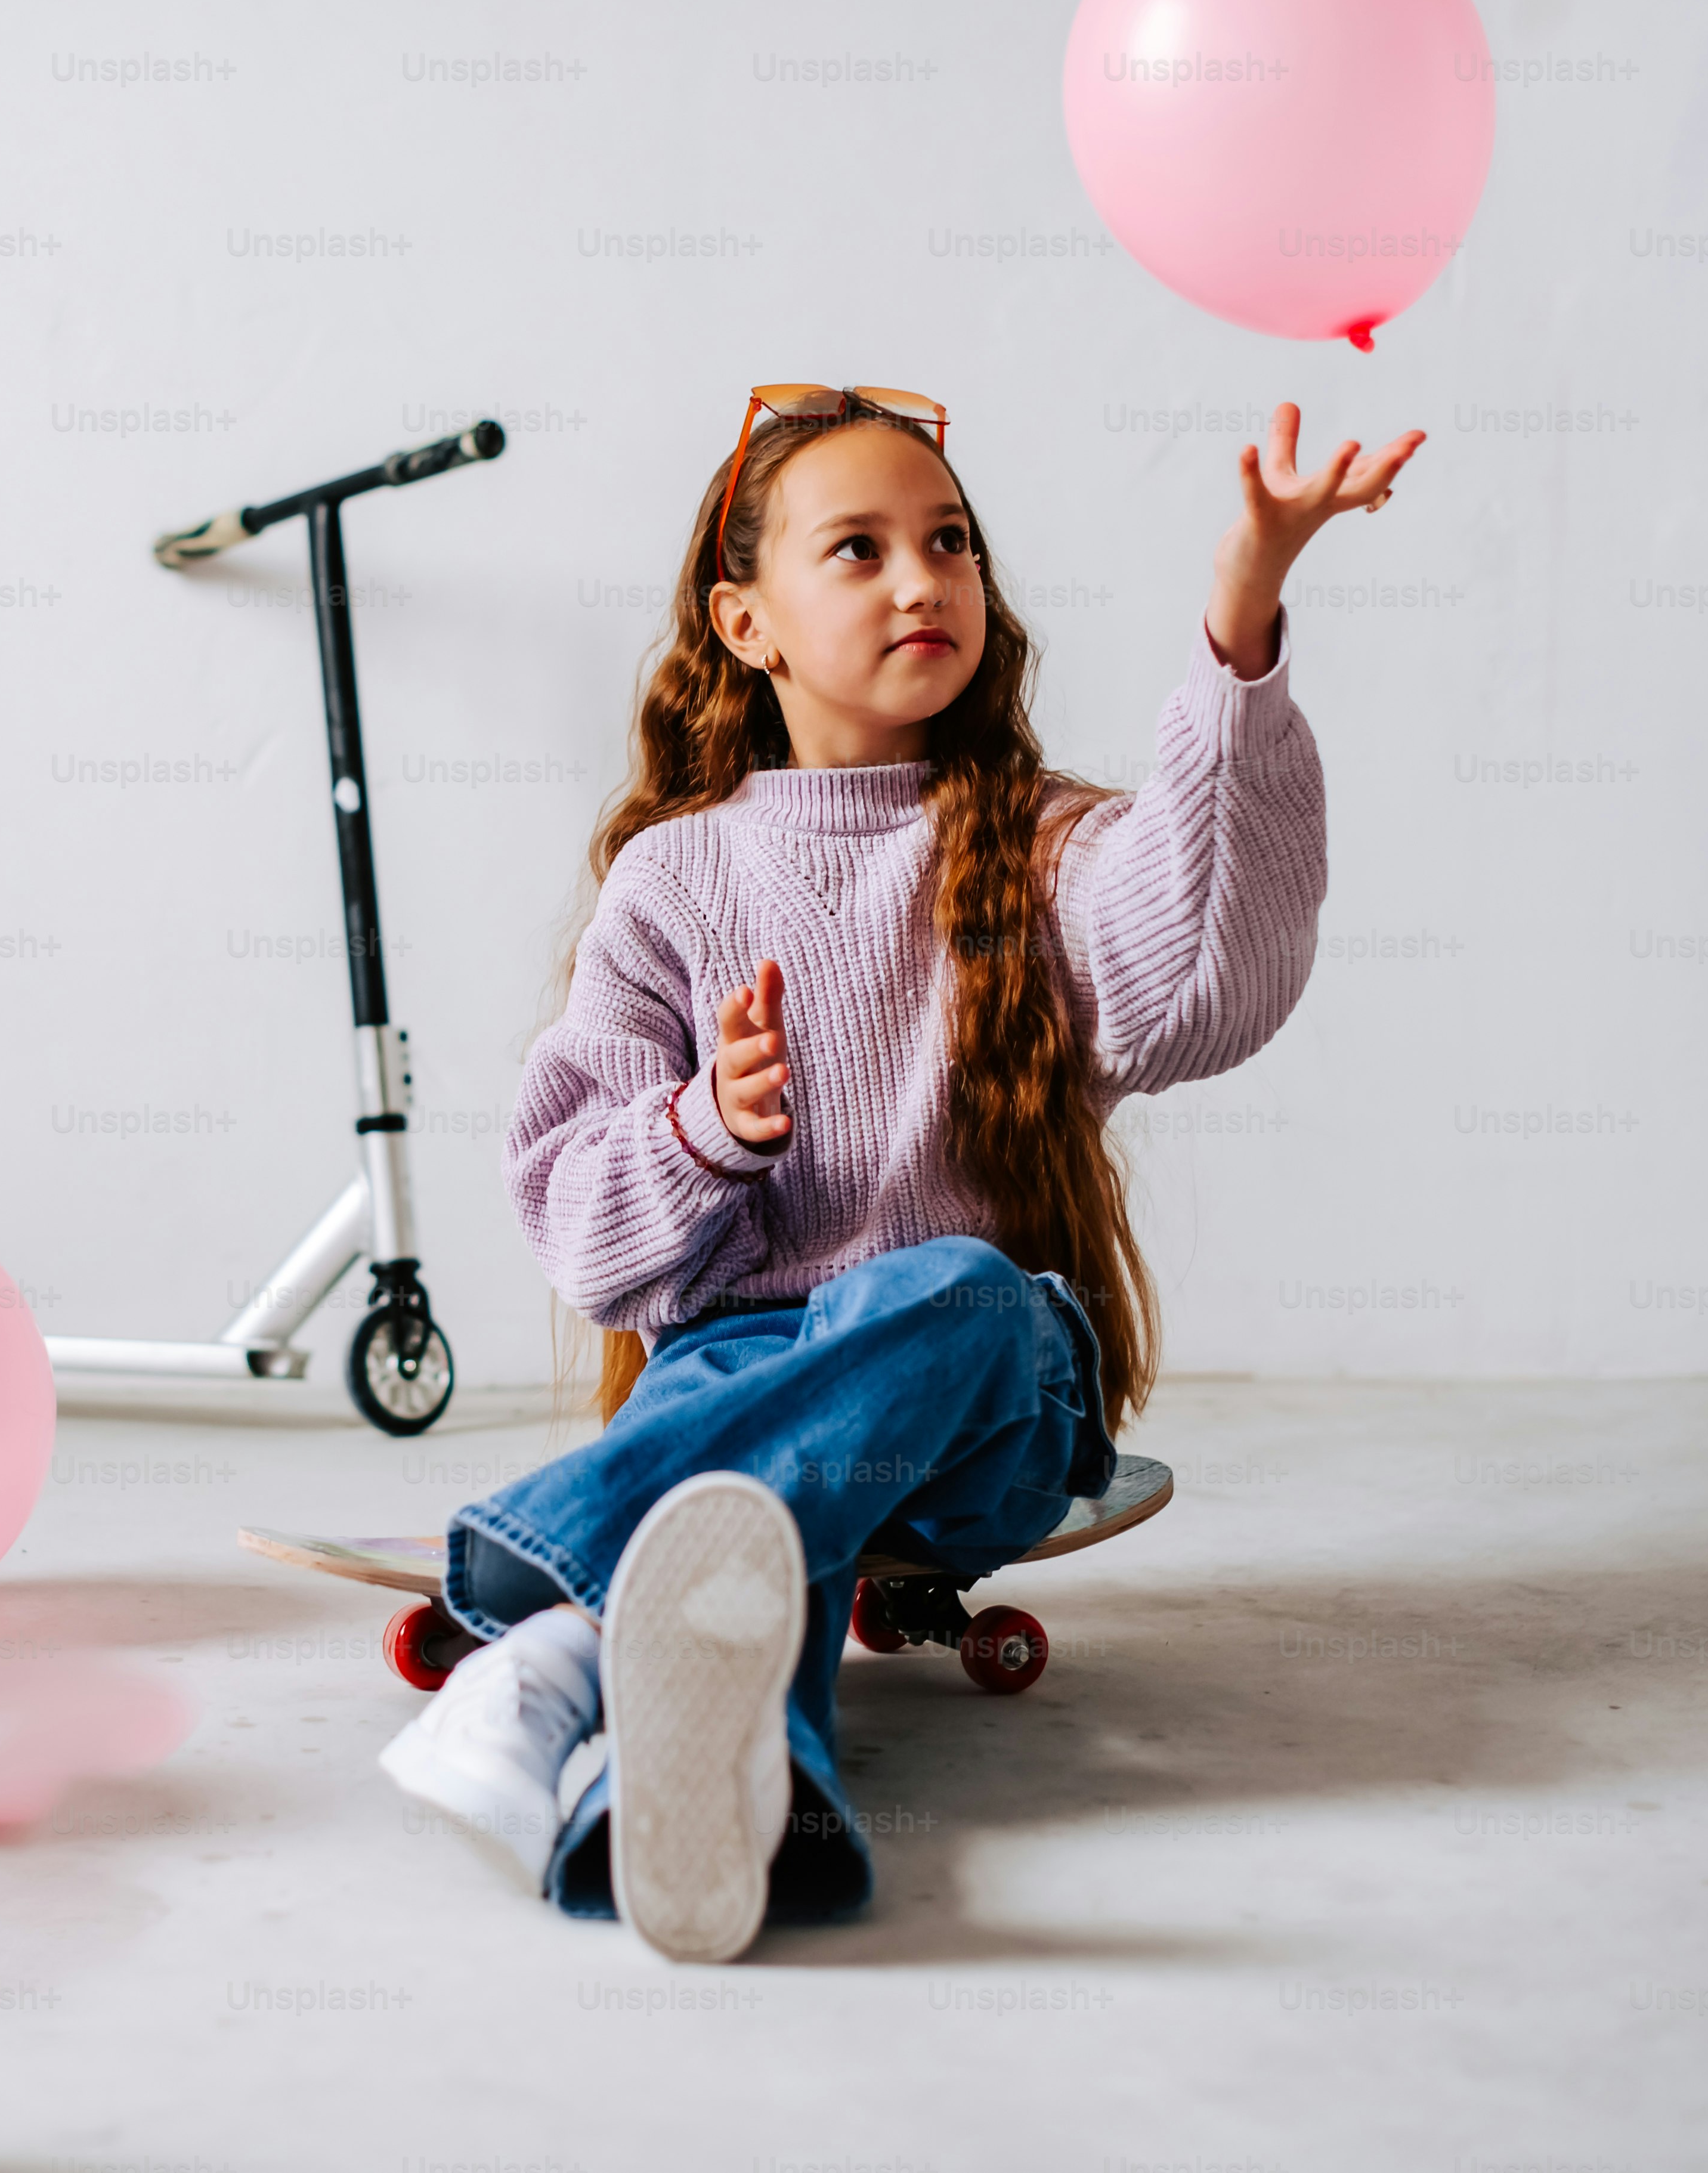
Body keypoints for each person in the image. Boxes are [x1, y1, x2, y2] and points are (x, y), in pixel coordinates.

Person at [378, 385, 1419, 1960]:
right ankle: (726, 1813)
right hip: (742, 1385)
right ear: (746, 622)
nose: (919, 580)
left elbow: (1213, 969)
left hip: (986, 1410)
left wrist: (1243, 607)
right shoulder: (675, 876)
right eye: (854, 549)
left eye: (947, 543)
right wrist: (702, 1129)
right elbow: (582, 1225)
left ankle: (537, 1617)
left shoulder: (1042, 843)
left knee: (960, 1291)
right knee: (735, 1532)